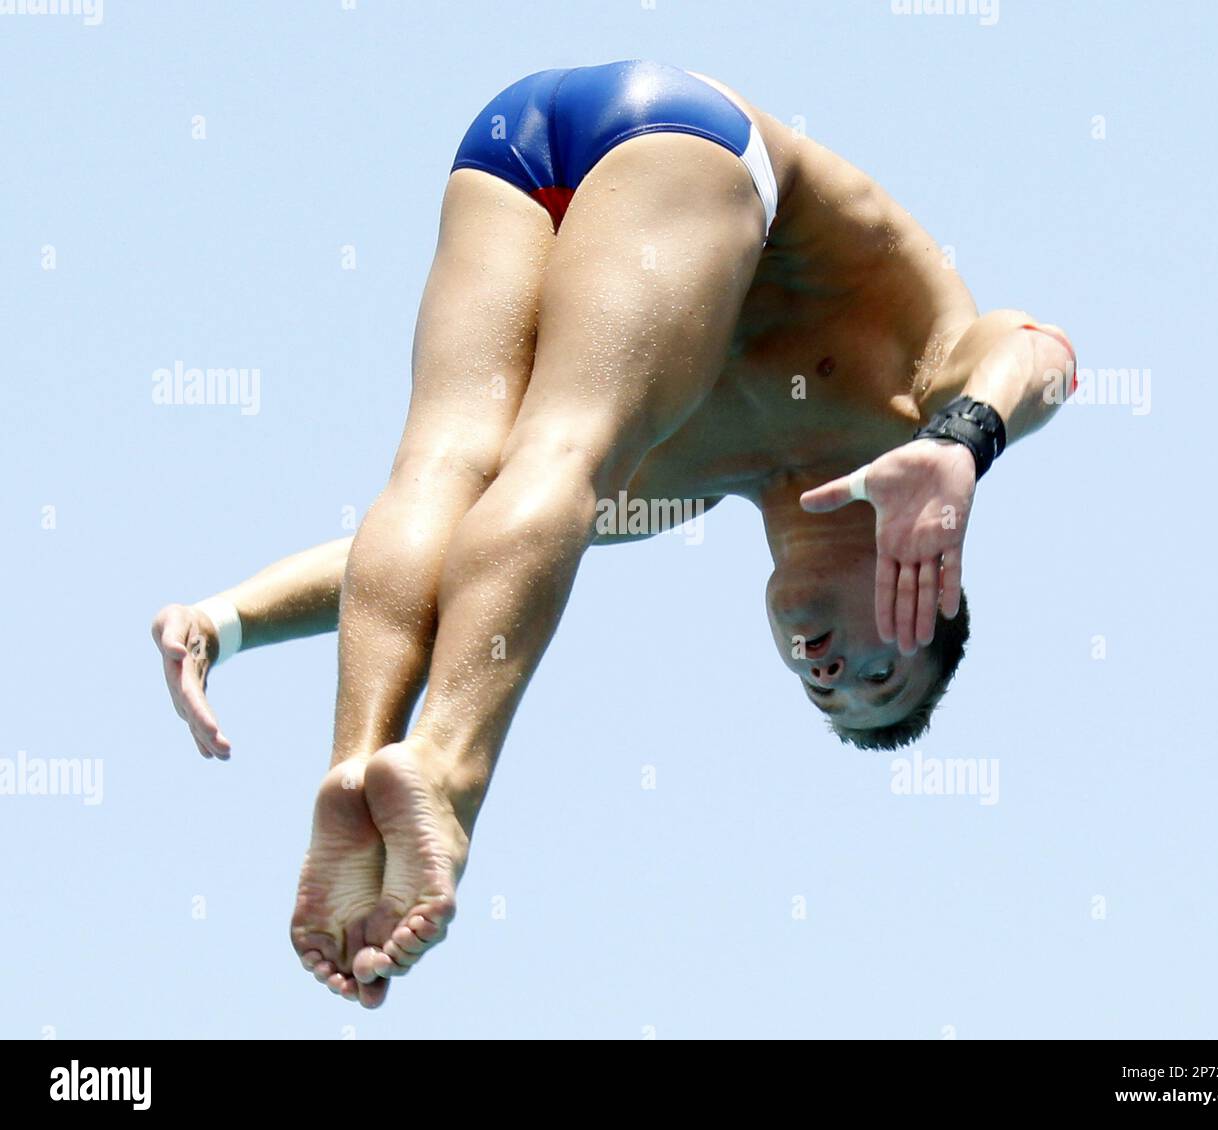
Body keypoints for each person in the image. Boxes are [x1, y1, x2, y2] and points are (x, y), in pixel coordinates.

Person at [152, 60, 1076, 1008]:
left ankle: (356, 768)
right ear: (932, 587)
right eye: (881, 675)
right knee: (563, 451)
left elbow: (467, 552)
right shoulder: (915, 406)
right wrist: (964, 445)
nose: (832, 676)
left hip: (512, 148)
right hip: (697, 141)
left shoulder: (672, 490)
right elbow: (1041, 352)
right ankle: (444, 774)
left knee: (446, 471)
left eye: (823, 695)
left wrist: (226, 619)